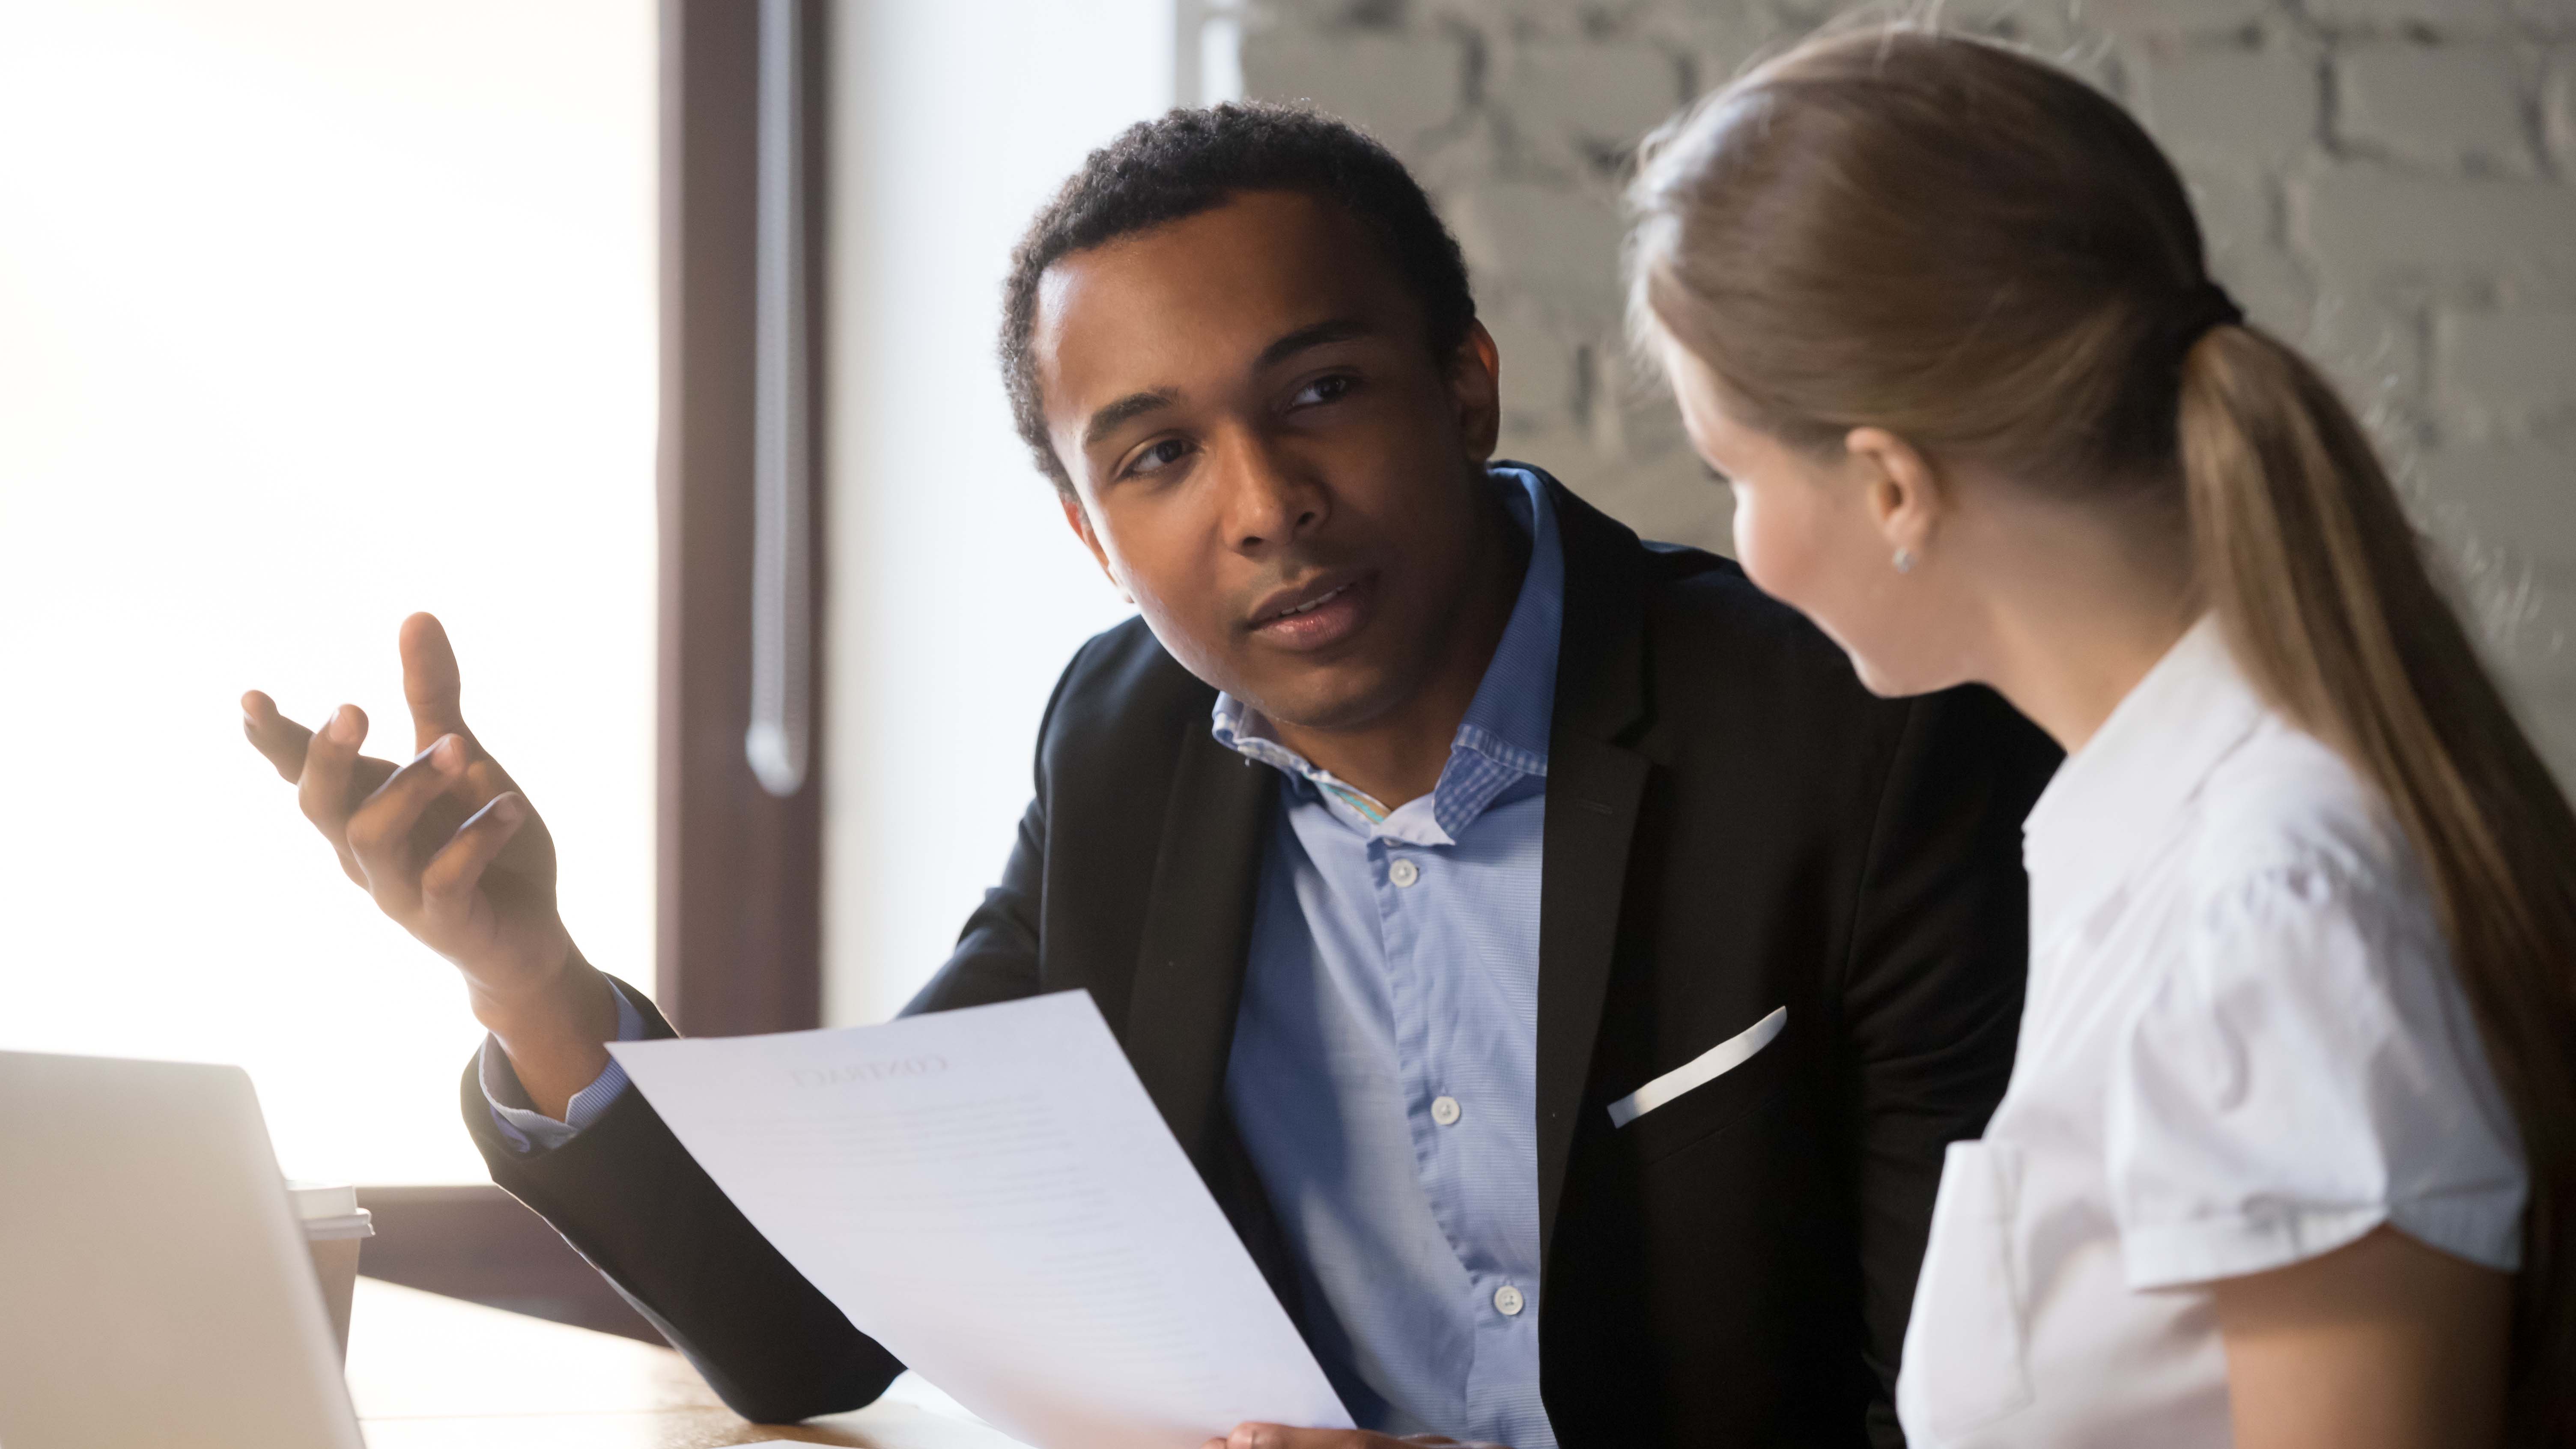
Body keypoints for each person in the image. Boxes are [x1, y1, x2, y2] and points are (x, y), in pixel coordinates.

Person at [243, 106, 2058, 1447]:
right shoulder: (1127, 748)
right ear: (1089, 532)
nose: (1262, 505)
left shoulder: (1859, 737)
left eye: (1323, 392)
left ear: (1467, 389)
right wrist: (525, 978)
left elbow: (1994, 1410)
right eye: (1159, 455)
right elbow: (816, 1335)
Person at [1626, 25, 2576, 1449]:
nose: (1737, 544)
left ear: (1890, 484)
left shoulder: (2270, 905)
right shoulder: (2163, 834)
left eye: (1732, 473)